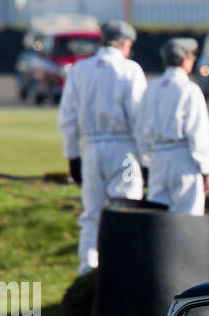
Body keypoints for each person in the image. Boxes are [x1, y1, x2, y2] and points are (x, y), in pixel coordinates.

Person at [57, 21, 147, 275]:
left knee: (92, 213)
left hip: (91, 150)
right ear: (125, 43)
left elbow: (68, 118)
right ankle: (125, 268)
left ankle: (88, 269)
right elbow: (139, 119)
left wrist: (72, 155)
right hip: (124, 149)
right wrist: (146, 159)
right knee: (126, 209)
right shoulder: (130, 70)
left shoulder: (79, 69)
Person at [138, 37, 209, 215]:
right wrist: (206, 169)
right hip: (183, 159)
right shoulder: (189, 89)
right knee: (188, 219)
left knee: (159, 218)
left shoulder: (152, 88)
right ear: (185, 59)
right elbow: (198, 134)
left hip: (158, 158)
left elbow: (141, 129)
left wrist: (147, 160)